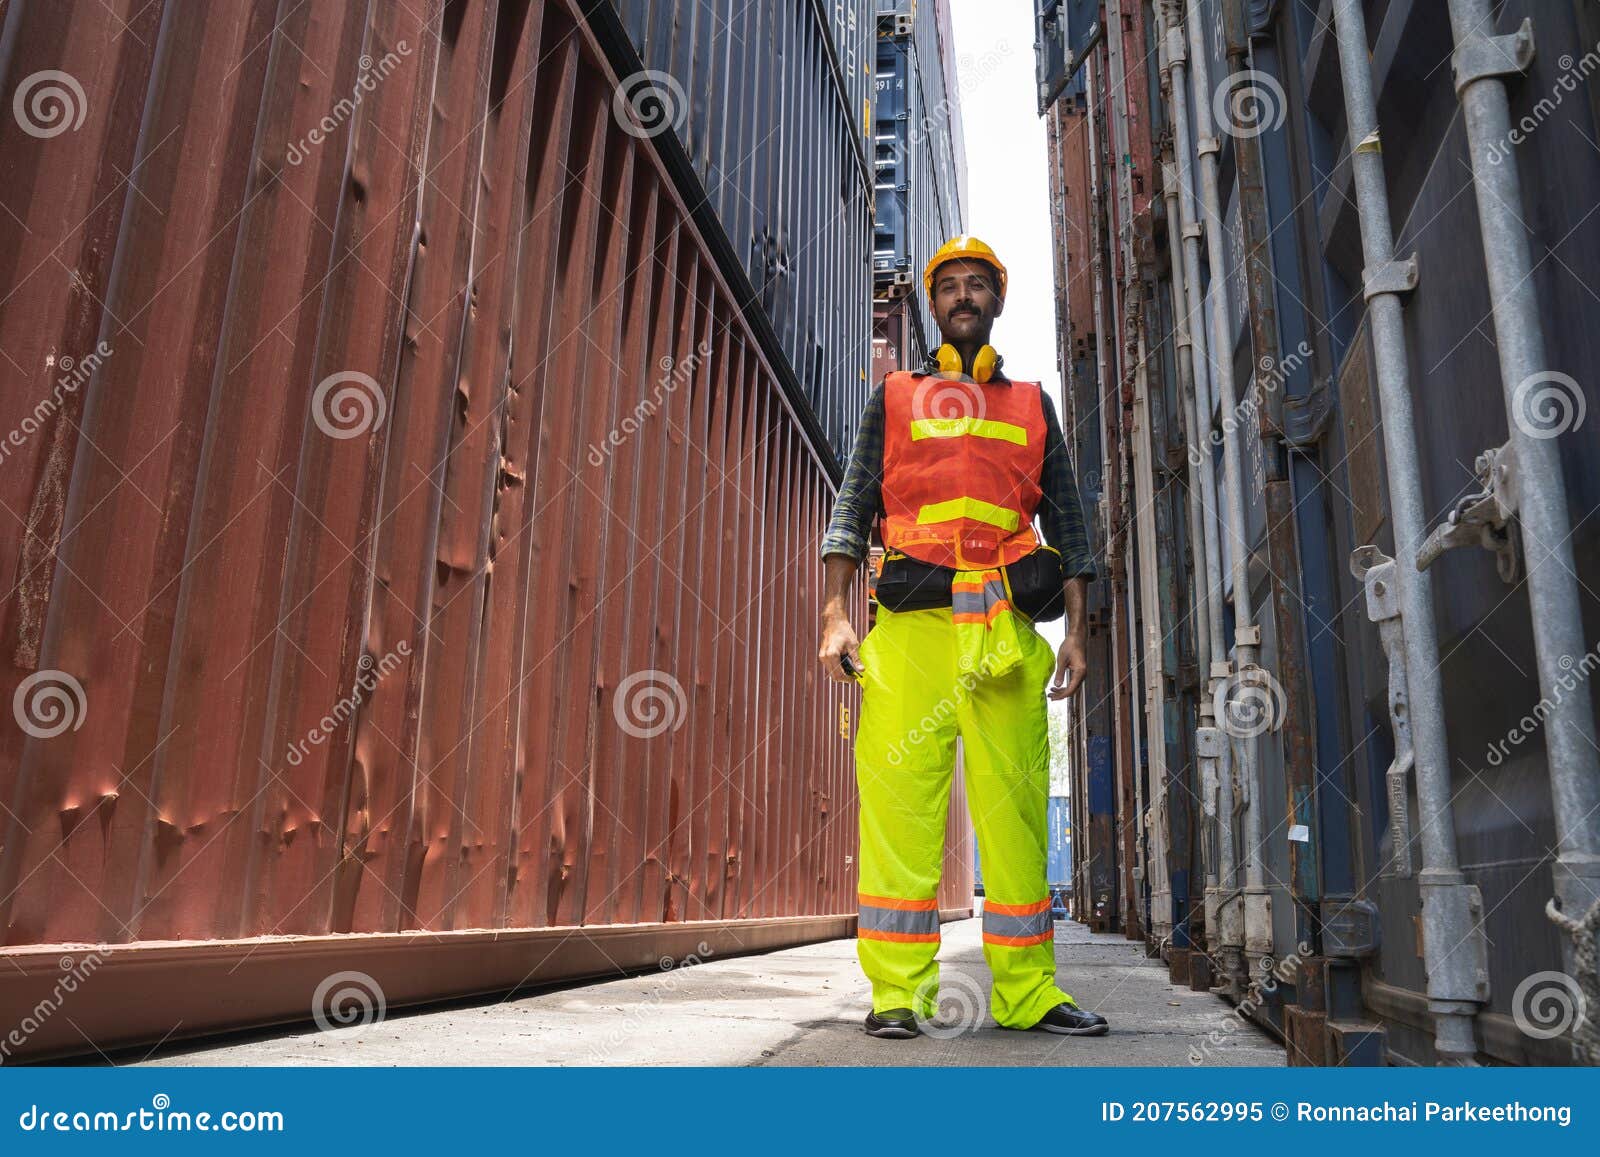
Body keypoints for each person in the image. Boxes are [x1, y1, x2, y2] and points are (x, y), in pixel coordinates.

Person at [817, 235, 1109, 1040]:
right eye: (951, 285)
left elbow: (1071, 526)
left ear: (997, 302)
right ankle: (896, 992)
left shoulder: (1030, 405)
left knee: (1015, 808)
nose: (966, 295)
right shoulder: (896, 397)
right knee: (901, 804)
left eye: (980, 284)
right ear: (933, 301)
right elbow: (852, 505)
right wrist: (836, 613)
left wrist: (1078, 633)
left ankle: (1028, 991)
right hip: (912, 626)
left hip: (1006, 624)